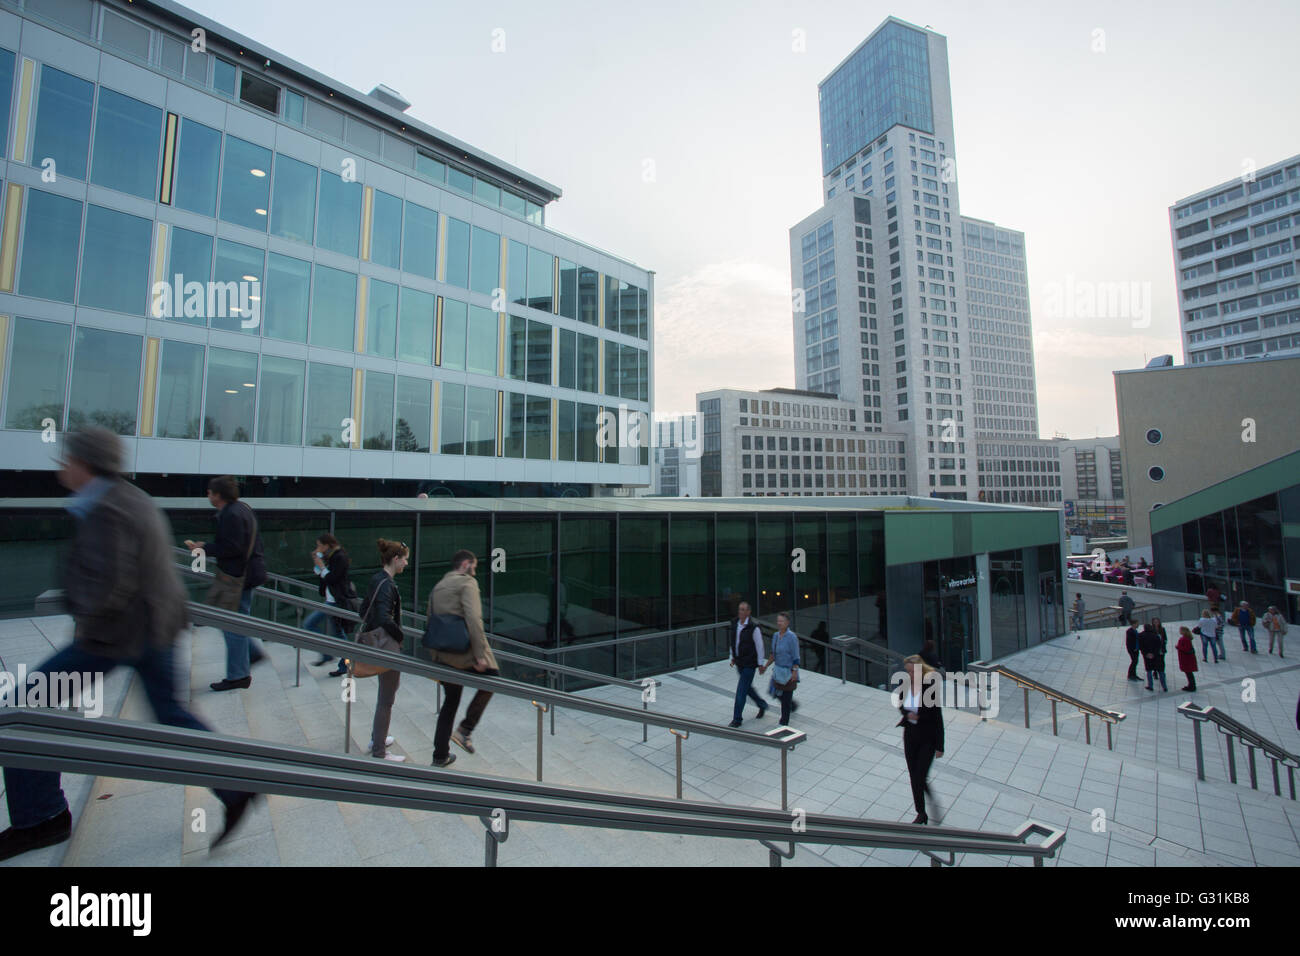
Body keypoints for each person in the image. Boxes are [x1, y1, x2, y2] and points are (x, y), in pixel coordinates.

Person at [0, 429, 254, 862]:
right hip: (152, 628)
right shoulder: (127, 497)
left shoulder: (108, 506)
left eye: (67, 459)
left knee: (23, 711)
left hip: (119, 635)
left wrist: (82, 615)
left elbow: (112, 582)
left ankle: (42, 817)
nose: (61, 467)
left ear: (85, 464)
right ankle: (235, 787)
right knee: (171, 716)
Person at [184, 476, 267, 691]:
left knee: (232, 624)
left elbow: (233, 548)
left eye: (210, 492)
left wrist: (204, 548)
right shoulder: (242, 509)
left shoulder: (231, 514)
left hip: (239, 577)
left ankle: (238, 675)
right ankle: (251, 654)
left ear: (218, 495)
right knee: (237, 620)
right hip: (247, 573)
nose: (208, 495)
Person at [429, 550, 499, 768]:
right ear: (466, 564)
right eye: (474, 566)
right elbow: (474, 619)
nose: (475, 571)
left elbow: (431, 619)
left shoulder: (439, 585)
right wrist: (480, 656)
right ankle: (465, 730)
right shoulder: (467, 584)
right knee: (493, 679)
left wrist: (436, 656)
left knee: (450, 702)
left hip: (443, 654)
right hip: (463, 652)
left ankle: (440, 755)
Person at [355, 539, 409, 761]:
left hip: (377, 643)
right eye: (405, 559)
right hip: (386, 647)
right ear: (395, 559)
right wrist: (399, 635)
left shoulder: (377, 579)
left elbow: (363, 610)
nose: (406, 563)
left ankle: (378, 737)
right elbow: (383, 617)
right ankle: (379, 750)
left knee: (384, 696)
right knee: (387, 698)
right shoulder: (387, 585)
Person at [896, 655, 944, 825]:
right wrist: (906, 713)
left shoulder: (930, 687)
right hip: (910, 735)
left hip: (927, 738)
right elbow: (900, 705)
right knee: (914, 776)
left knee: (919, 776)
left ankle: (930, 802)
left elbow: (938, 717)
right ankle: (921, 812)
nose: (909, 674)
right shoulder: (905, 684)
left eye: (912, 671)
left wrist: (940, 746)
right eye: (907, 671)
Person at [304, 533, 354, 676]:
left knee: (311, 624)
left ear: (327, 545)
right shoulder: (330, 556)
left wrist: (322, 566)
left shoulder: (340, 557)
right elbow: (319, 573)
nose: (318, 548)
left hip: (336, 601)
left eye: (319, 545)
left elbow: (332, 578)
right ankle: (334, 658)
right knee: (338, 633)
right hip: (330, 600)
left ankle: (337, 659)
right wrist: (317, 561)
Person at [726, 601, 767, 728]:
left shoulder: (753, 627)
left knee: (741, 690)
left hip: (749, 663)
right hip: (739, 662)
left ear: (749, 612)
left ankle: (737, 719)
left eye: (744, 610)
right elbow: (733, 641)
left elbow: (760, 646)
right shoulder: (734, 623)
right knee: (747, 688)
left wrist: (760, 664)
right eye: (740, 609)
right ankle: (762, 704)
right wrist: (732, 656)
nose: (741, 612)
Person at [765, 613, 800, 725]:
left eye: (782, 621)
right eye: (778, 621)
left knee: (785, 699)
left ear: (787, 623)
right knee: (775, 692)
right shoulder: (775, 636)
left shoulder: (792, 637)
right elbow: (773, 654)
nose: (779, 623)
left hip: (788, 671)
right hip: (778, 670)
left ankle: (784, 722)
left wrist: (795, 671)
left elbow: (796, 656)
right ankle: (791, 706)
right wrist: (766, 666)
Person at [1139, 618, 1168, 692]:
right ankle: (1164, 687)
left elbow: (1141, 646)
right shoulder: (1155, 636)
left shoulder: (1141, 635)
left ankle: (1150, 686)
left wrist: (1146, 654)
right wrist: (1154, 653)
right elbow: (1158, 645)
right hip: (1157, 656)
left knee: (1149, 671)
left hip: (1147, 657)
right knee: (1161, 671)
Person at [1176, 627, 1198, 692]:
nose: (1179, 631)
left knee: (1188, 673)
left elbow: (1186, 649)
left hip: (1186, 658)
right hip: (1187, 658)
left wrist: (1178, 647)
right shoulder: (1187, 638)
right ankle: (1191, 685)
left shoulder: (1184, 639)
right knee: (1189, 673)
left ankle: (1192, 686)